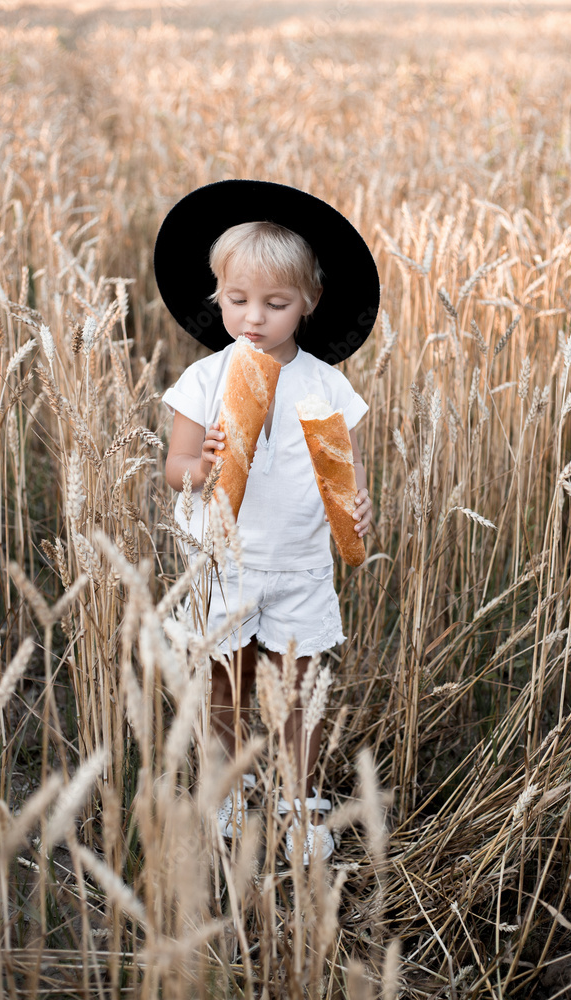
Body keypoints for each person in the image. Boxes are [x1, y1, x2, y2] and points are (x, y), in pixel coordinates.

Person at [155, 180, 379, 863]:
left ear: (306, 305)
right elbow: (176, 469)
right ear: (215, 298)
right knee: (224, 682)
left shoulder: (325, 384)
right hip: (224, 562)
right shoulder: (204, 381)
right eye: (237, 300)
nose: (254, 317)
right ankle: (225, 791)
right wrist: (206, 464)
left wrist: (360, 504)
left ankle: (298, 801)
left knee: (298, 687)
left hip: (301, 561)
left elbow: (346, 466)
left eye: (275, 304)